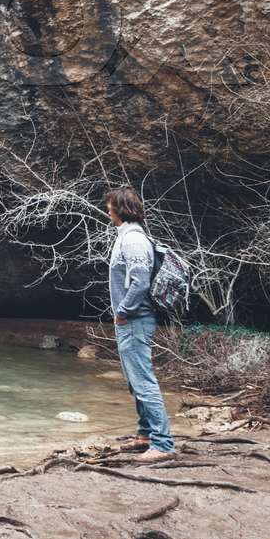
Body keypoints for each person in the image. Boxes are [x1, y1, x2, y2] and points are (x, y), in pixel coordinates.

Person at [105, 186, 176, 461]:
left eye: (110, 206)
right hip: (131, 319)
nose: (107, 210)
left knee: (143, 381)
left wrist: (123, 312)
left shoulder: (133, 240)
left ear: (120, 209)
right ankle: (145, 434)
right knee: (136, 381)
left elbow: (140, 282)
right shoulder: (127, 236)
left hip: (135, 319)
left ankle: (163, 445)